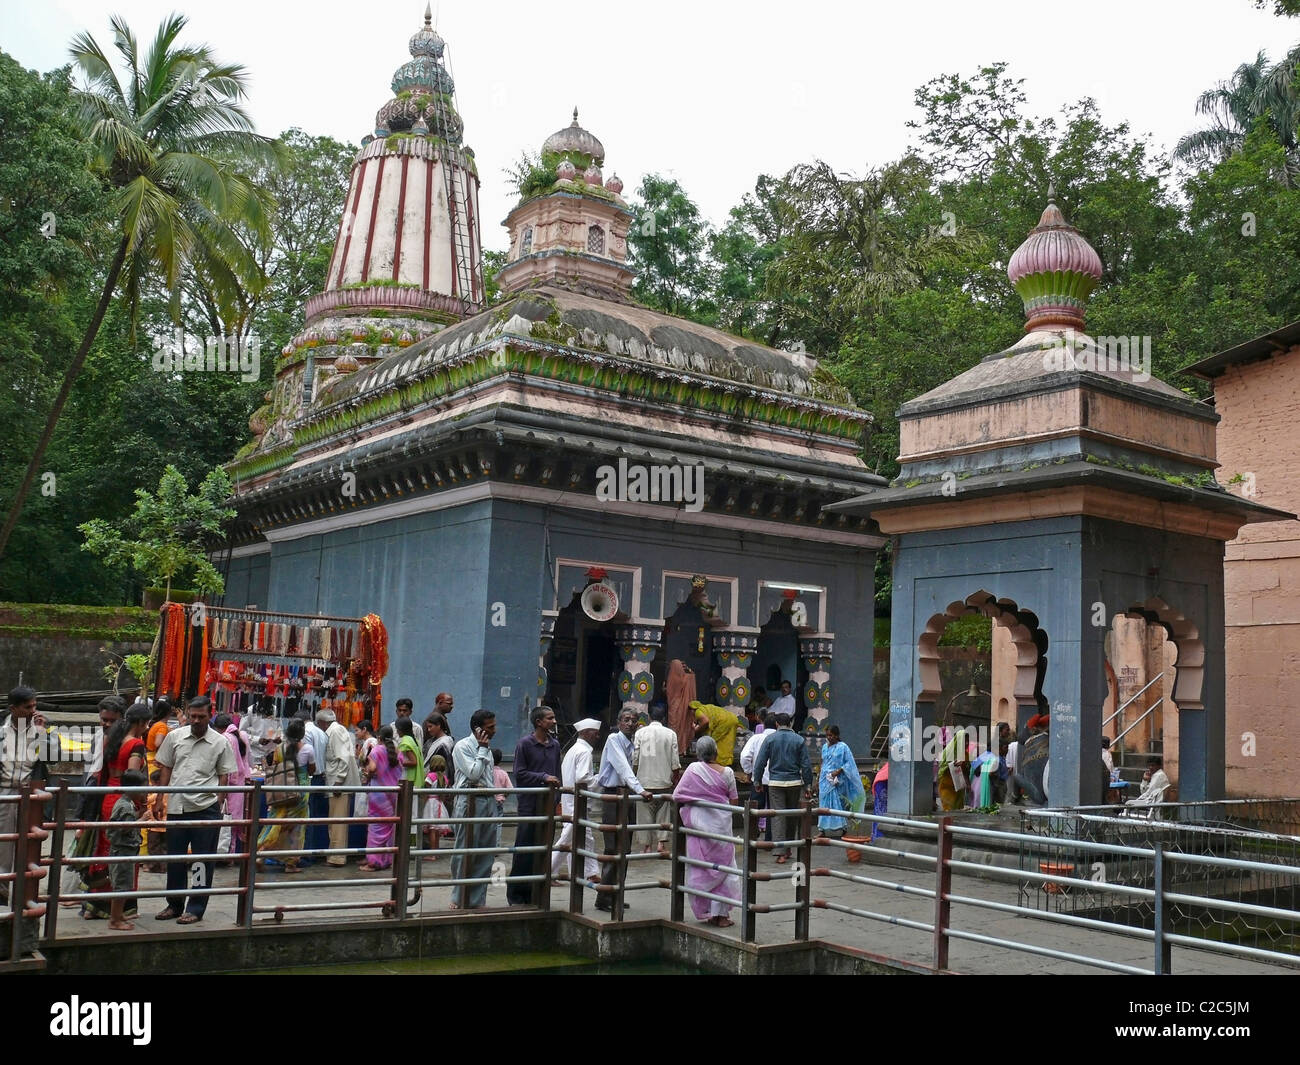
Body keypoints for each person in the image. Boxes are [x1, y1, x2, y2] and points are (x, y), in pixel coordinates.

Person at [153, 696, 237, 924]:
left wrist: (218, 803)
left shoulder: (220, 742)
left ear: (210, 715)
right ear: (188, 714)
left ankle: (196, 907)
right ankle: (174, 904)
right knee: (176, 859)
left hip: (205, 807)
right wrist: (160, 798)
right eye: (193, 716)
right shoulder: (174, 737)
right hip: (178, 805)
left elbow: (224, 776)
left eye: (201, 716)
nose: (196, 720)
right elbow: (166, 768)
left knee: (201, 861)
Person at [84, 702, 150, 919]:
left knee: (104, 850)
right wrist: (140, 806)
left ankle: (94, 906)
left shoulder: (110, 738)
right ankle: (119, 910)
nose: (146, 728)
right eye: (145, 724)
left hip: (106, 799)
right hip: (123, 800)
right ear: (140, 723)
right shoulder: (136, 745)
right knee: (123, 852)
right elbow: (132, 777)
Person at [672, 734, 740, 927]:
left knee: (703, 868)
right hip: (721, 828)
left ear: (697, 754)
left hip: (700, 827)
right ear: (716, 751)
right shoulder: (727, 773)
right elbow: (734, 801)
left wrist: (698, 800)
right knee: (725, 870)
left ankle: (709, 911)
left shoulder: (693, 769)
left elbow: (678, 795)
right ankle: (722, 915)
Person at [593, 708, 653, 911]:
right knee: (613, 846)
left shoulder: (631, 743)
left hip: (626, 795)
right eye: (626, 720)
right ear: (619, 722)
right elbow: (622, 768)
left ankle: (616, 893)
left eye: (634, 720)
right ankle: (604, 896)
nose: (630, 723)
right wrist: (641, 789)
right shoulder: (613, 740)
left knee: (625, 848)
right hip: (614, 795)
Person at [507, 705, 561, 905]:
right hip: (529, 804)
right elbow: (519, 773)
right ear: (538, 722)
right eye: (550, 718)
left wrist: (557, 797)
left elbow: (558, 772)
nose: (554, 721)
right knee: (524, 849)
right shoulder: (525, 744)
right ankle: (516, 894)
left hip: (548, 804)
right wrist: (543, 777)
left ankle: (537, 893)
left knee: (543, 849)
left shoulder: (554, 745)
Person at [450, 710, 500, 909]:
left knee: (486, 852)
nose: (494, 730)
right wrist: (481, 749)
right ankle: (458, 896)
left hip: (488, 800)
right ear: (478, 729)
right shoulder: (462, 746)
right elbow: (473, 774)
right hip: (469, 801)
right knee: (465, 850)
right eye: (490, 727)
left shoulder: (487, 747)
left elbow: (487, 777)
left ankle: (477, 899)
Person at [1, 686, 44, 905]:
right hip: (5, 794)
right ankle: (2, 898)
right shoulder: (1, 733)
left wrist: (42, 735)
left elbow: (51, 760)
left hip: (31, 796)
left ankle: (24, 899)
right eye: (28, 707)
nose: (33, 710)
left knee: (30, 848)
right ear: (13, 709)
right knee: (4, 848)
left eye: (34, 706)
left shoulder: (38, 730)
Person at [257, 718, 315, 873]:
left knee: (277, 822)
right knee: (296, 827)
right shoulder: (308, 749)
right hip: (301, 791)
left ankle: (261, 852)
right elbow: (312, 770)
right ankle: (290, 863)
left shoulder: (280, 748)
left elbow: (275, 766)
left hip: (282, 789)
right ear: (302, 734)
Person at [752, 712, 812, 865]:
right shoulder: (799, 740)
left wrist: (757, 781)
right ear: (790, 723)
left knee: (778, 816)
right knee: (792, 816)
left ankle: (780, 852)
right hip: (794, 783)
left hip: (776, 783)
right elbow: (806, 764)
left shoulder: (770, 739)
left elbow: (760, 762)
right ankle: (789, 847)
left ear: (777, 724)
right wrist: (808, 785)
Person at [551, 718, 601, 885]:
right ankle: (548, 871)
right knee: (567, 838)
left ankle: (589, 873)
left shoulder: (573, 750)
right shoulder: (584, 752)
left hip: (570, 800)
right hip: (577, 802)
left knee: (584, 838)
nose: (597, 735)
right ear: (585, 733)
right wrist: (600, 780)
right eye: (594, 732)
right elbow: (583, 778)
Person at [106, 769, 152, 930]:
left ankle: (119, 915)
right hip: (123, 850)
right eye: (142, 789)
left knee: (124, 885)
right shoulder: (125, 806)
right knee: (121, 886)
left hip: (126, 849)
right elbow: (125, 828)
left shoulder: (128, 803)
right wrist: (142, 820)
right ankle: (114, 920)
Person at [632, 704, 681, 857]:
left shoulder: (640, 733)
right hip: (663, 781)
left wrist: (634, 776)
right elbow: (675, 761)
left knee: (644, 815)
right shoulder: (670, 734)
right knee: (664, 813)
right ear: (664, 718)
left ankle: (647, 846)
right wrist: (675, 777)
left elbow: (635, 759)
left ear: (649, 717)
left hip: (644, 781)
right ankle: (661, 843)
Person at [318, 709, 360, 866]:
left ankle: (337, 857)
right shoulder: (336, 731)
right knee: (334, 821)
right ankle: (334, 855)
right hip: (336, 783)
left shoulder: (335, 731)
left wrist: (338, 782)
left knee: (337, 822)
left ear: (322, 723)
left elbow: (344, 758)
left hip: (339, 785)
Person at [359, 725, 401, 871]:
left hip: (378, 795)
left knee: (376, 827)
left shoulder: (376, 750)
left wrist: (367, 775)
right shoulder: (396, 751)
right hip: (393, 794)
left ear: (378, 737)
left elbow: (371, 768)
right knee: (389, 826)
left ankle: (374, 862)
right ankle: (386, 859)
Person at [817, 725, 864, 834]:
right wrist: (818, 776)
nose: (829, 737)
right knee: (823, 804)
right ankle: (822, 830)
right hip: (824, 780)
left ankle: (843, 828)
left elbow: (849, 763)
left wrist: (839, 771)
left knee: (838, 803)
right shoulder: (824, 747)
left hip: (837, 780)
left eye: (831, 735)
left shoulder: (843, 747)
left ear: (837, 735)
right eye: (827, 735)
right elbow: (822, 762)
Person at [216, 713, 251, 855]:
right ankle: (232, 853)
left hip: (230, 783)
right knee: (234, 819)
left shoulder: (226, 738)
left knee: (227, 818)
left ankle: (226, 853)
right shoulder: (241, 735)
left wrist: (222, 791)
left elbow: (226, 766)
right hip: (240, 782)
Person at [740, 711, 776, 841]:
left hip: (758, 779)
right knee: (773, 811)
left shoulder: (756, 738)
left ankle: (752, 835)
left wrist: (749, 772)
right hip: (776, 780)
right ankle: (770, 840)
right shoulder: (779, 738)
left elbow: (745, 756)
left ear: (764, 725)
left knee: (755, 808)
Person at [299, 709, 330, 857]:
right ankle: (318, 850)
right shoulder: (321, 732)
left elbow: (305, 758)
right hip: (321, 777)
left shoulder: (305, 732)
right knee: (319, 816)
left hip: (309, 777)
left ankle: (307, 854)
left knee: (308, 816)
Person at [394, 715, 425, 851]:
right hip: (414, 780)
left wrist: (398, 762)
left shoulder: (405, 741)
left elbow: (413, 761)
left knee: (409, 814)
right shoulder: (412, 739)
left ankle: (409, 846)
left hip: (409, 780)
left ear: (400, 729)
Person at [1010, 715, 1050, 806]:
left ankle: (1014, 797)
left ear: (1033, 731)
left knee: (1016, 776)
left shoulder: (1031, 747)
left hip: (1041, 797)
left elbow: (1018, 777)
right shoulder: (1049, 741)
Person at [691, 700, 742, 768]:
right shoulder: (707, 708)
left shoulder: (698, 711)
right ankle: (726, 762)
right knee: (726, 742)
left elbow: (705, 721)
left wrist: (696, 729)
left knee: (714, 742)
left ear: (693, 709)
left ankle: (718, 763)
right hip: (733, 719)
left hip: (723, 722)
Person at [424, 754, 453, 859]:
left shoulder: (430, 776)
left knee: (432, 829)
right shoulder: (445, 778)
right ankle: (435, 852)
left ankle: (432, 854)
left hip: (431, 803)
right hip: (440, 804)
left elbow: (426, 790)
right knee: (436, 831)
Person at [666, 659, 696, 755]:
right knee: (683, 727)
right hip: (682, 707)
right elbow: (692, 677)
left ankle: (673, 750)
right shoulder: (685, 678)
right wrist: (689, 669)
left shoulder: (671, 678)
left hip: (673, 707)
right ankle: (682, 749)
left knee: (674, 727)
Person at [937, 727, 971, 811]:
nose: (966, 743)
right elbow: (941, 766)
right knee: (948, 810)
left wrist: (968, 783)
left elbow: (966, 770)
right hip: (947, 786)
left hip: (959, 786)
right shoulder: (948, 751)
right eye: (964, 741)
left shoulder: (966, 754)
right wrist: (953, 764)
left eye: (968, 741)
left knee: (958, 811)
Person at [869, 760, 889, 840]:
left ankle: (876, 836)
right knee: (882, 811)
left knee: (879, 810)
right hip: (883, 783)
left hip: (880, 782)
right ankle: (879, 837)